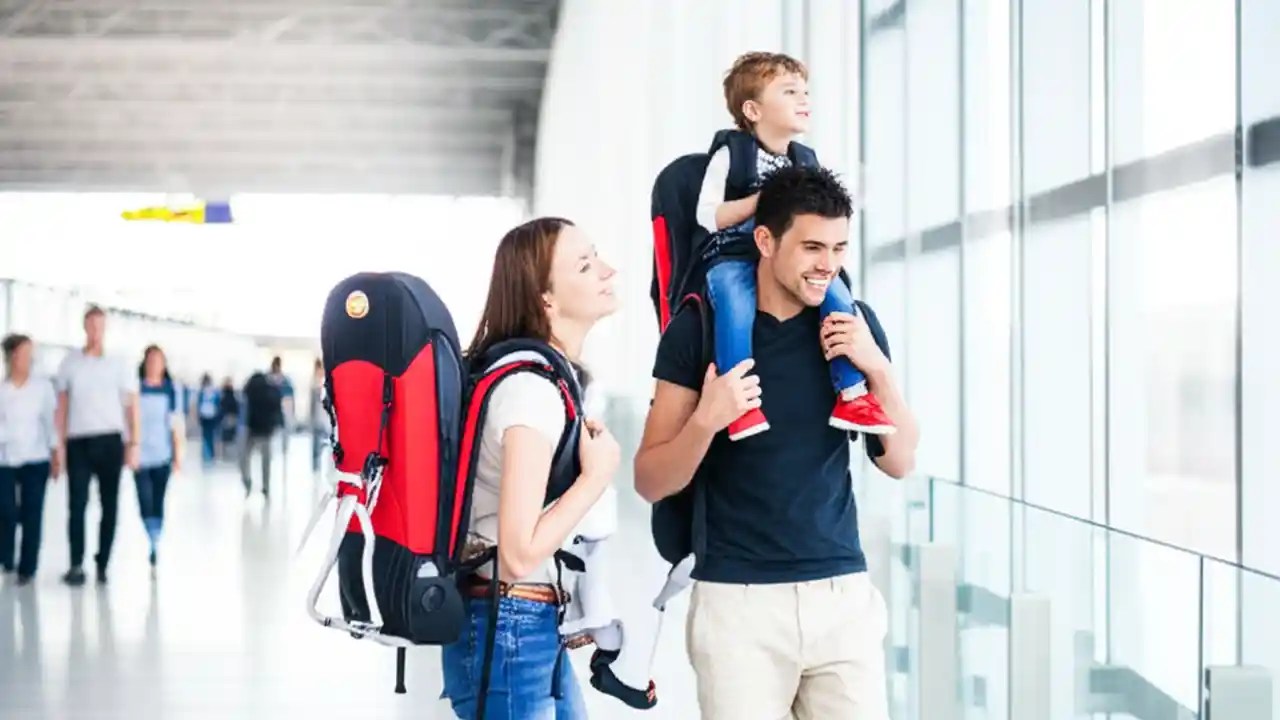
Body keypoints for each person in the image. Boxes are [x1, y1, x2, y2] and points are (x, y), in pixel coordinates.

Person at [635, 165, 920, 719]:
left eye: (838, 247)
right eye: (812, 246)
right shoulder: (700, 329)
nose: (828, 265)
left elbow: (901, 460)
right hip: (738, 603)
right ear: (765, 240)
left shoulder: (854, 327)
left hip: (842, 595)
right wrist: (706, 421)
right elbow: (650, 479)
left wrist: (878, 369)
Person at [440, 217, 622, 720]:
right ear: (546, 298)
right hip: (509, 626)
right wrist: (595, 476)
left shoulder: (541, 379)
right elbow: (518, 553)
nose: (608, 270)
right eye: (586, 265)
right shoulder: (531, 391)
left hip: (523, 623)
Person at [695, 51, 895, 440]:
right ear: (753, 109)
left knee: (838, 295)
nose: (804, 100)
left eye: (805, 92)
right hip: (735, 254)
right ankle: (742, 404)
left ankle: (851, 392)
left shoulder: (805, 160)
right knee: (734, 305)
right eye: (790, 92)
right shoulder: (731, 156)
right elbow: (707, 216)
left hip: (788, 258)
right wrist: (766, 200)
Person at [55, 305, 141, 587]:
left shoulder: (119, 364)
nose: (95, 331)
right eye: (91, 325)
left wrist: (133, 443)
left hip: (110, 441)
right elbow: (63, 407)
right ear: (84, 327)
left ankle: (102, 562)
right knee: (77, 505)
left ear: (105, 329)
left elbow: (131, 407)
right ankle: (76, 564)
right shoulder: (70, 363)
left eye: (100, 326)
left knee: (110, 505)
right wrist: (59, 446)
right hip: (79, 440)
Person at [0, 334, 59, 586]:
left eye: (30, 353)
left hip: (36, 458)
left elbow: (50, 421)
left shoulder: (42, 387)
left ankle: (28, 567)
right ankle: (6, 558)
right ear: (12, 356)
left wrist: (56, 453)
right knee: (6, 512)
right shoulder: (2, 389)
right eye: (23, 353)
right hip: (5, 459)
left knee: (33, 512)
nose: (27, 358)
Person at [135, 345, 183, 576]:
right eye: (151, 360)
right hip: (141, 455)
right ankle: (150, 533)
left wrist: (177, 454)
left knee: (158, 500)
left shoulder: (170, 390)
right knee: (144, 500)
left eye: (159, 360)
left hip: (162, 453)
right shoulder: (137, 389)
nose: (155, 364)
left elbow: (174, 424)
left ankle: (155, 541)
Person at [240, 364, 283, 498]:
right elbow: (277, 408)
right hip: (266, 430)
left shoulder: (249, 390)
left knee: (245, 458)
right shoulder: (271, 390)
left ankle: (247, 482)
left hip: (251, 429)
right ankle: (266, 486)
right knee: (266, 461)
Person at [195, 373, 221, 467]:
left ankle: (209, 455)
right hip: (206, 416)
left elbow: (217, 404)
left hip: (210, 416)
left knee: (208, 436)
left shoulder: (212, 392)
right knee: (207, 436)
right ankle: (207, 455)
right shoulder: (204, 392)